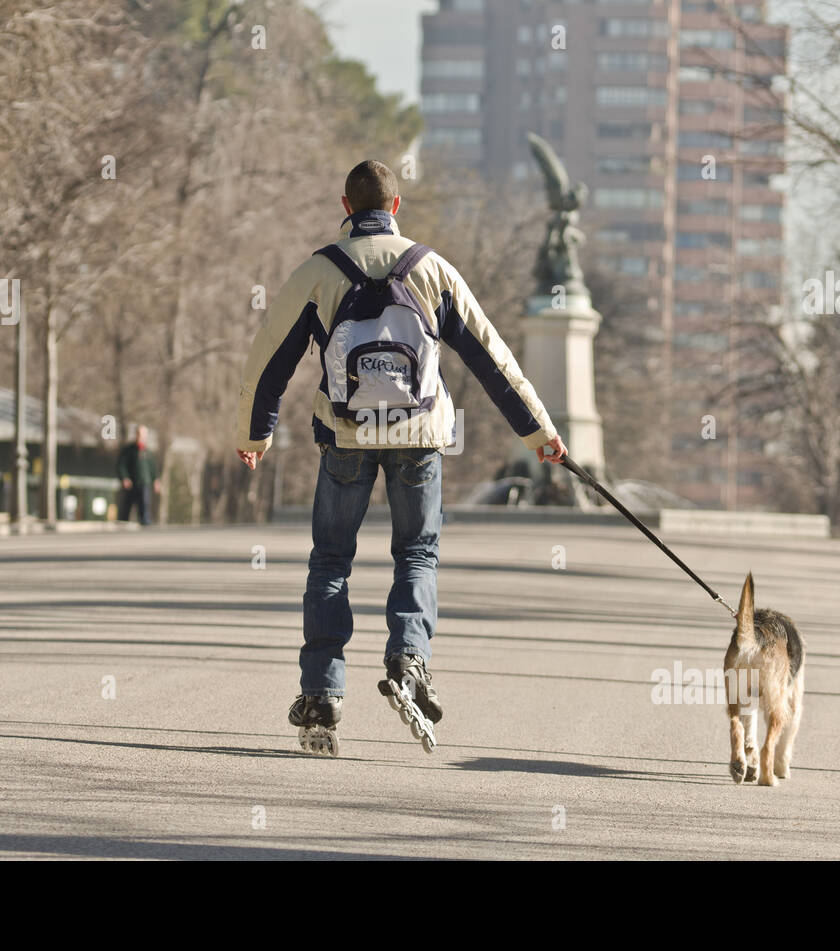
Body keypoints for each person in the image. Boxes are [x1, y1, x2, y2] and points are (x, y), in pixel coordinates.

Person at [235, 159, 566, 751]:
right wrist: (537, 432)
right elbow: (492, 356)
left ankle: (322, 693)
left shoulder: (319, 271)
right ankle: (409, 661)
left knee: (330, 562)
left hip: (346, 436)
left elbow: (270, 358)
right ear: (395, 208)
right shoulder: (432, 270)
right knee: (417, 553)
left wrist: (255, 434)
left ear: (345, 206)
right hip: (419, 438)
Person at [117, 424, 161, 526]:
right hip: (131, 483)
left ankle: (145, 525)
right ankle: (123, 524)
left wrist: (156, 480)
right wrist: (124, 478)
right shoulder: (129, 450)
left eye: (143, 435)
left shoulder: (148, 452)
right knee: (126, 507)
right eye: (139, 434)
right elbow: (121, 465)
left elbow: (153, 468)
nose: (141, 437)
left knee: (144, 506)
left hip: (144, 483)